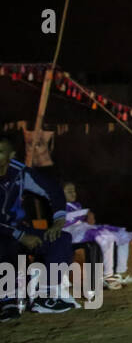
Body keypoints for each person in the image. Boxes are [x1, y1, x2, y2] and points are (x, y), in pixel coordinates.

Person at [0, 131, 74, 316]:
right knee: (4, 243)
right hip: (6, 233)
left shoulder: (19, 173)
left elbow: (53, 190)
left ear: (11, 156)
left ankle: (44, 296)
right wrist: (21, 235)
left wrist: (58, 222)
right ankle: (6, 300)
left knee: (61, 239)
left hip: (17, 228)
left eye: (0, 151)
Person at [62, 183, 132, 287]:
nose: (73, 193)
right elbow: (66, 219)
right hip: (70, 231)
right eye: (69, 191)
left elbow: (84, 218)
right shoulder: (58, 205)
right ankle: (107, 275)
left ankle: (118, 271)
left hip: (82, 228)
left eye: (74, 191)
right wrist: (86, 212)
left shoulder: (77, 205)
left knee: (121, 235)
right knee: (104, 238)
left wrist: (87, 216)